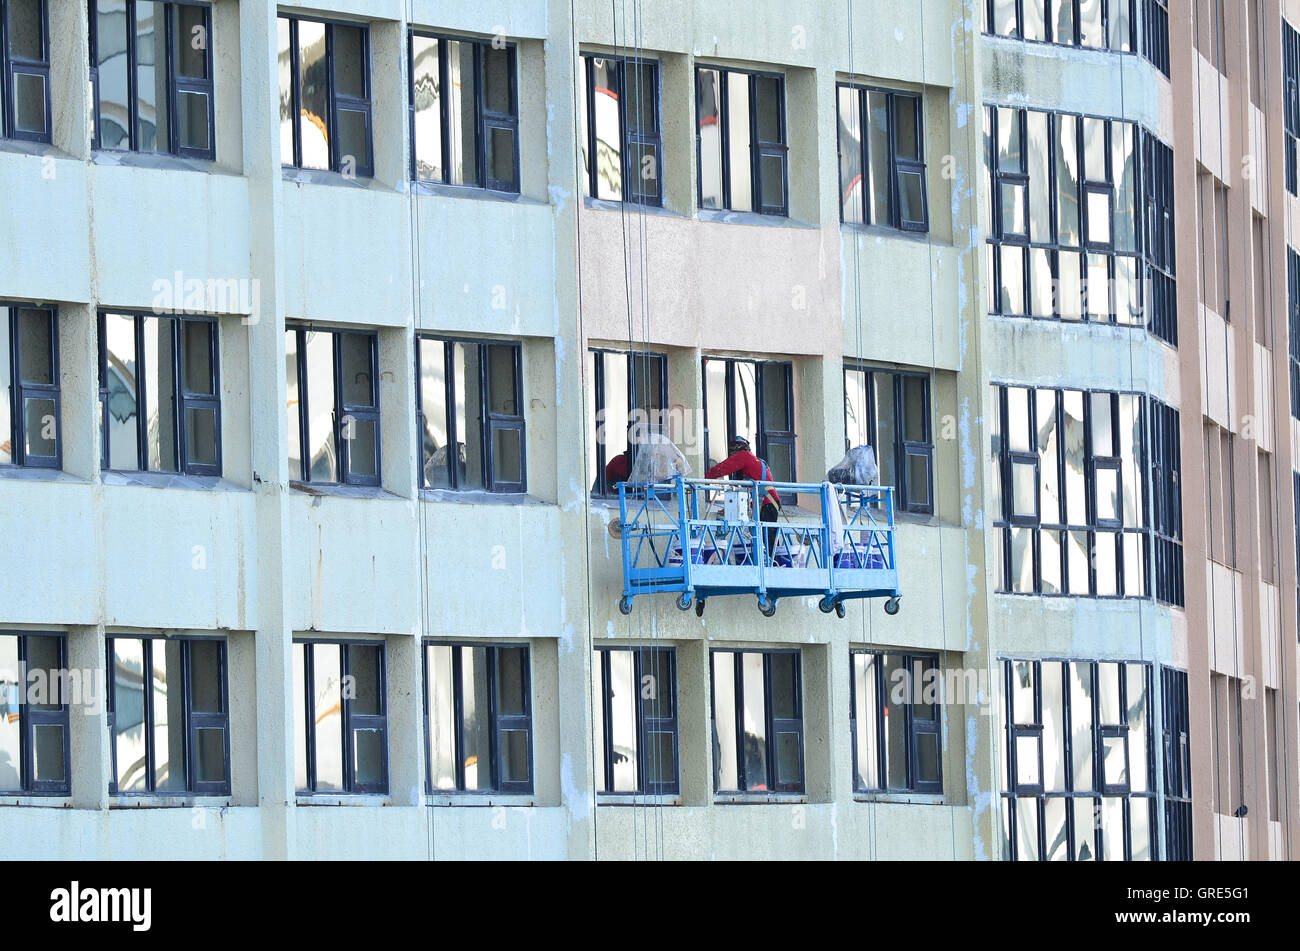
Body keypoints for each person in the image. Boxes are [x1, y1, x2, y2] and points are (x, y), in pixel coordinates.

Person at [705, 436, 781, 558]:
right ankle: (773, 563)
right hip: (766, 503)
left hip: (766, 503)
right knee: (767, 537)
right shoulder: (753, 461)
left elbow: (723, 468)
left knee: (767, 539)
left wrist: (704, 477)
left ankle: (774, 565)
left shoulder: (744, 456)